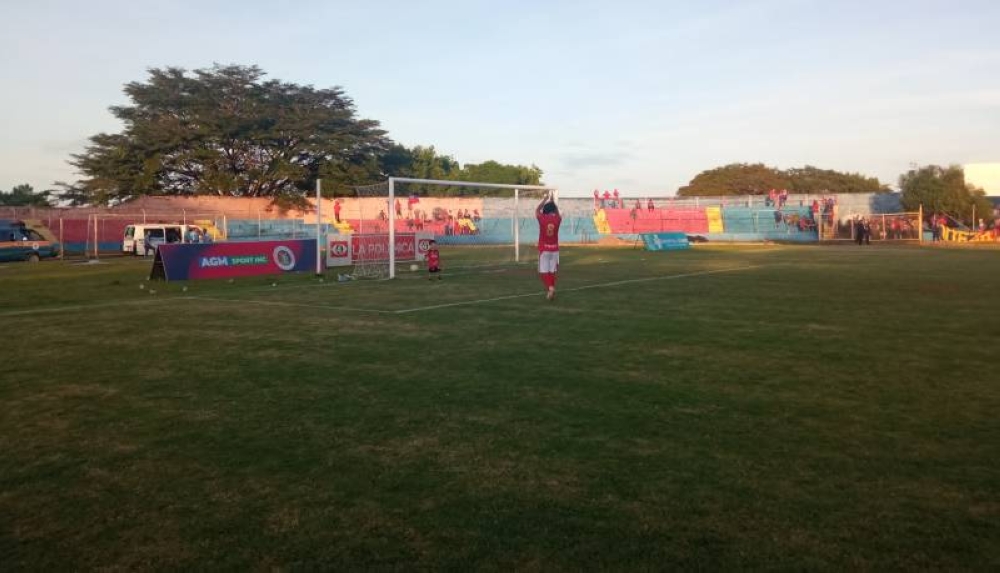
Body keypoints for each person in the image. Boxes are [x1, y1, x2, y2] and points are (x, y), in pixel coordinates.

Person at [536, 191, 562, 301]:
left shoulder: (542, 218)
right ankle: (551, 289)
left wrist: (545, 199)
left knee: (543, 272)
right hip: (555, 249)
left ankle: (550, 288)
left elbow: (537, 210)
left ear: (545, 210)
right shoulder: (558, 219)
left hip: (544, 249)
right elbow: (557, 212)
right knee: (552, 271)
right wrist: (552, 201)